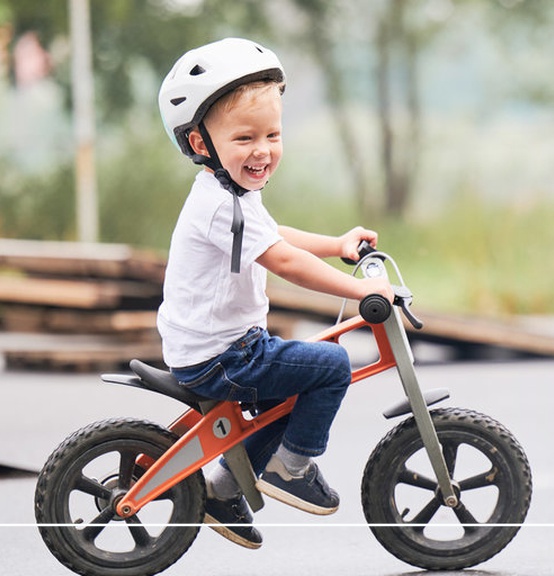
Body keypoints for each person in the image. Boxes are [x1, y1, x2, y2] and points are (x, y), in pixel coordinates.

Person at [156, 38, 393, 550]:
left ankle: (222, 489)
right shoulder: (225, 206)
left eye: (272, 134)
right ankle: (291, 466)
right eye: (244, 137)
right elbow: (282, 261)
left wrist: (337, 245)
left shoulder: (231, 195)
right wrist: (361, 290)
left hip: (217, 346)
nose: (262, 150)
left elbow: (275, 235)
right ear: (202, 145)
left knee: (293, 385)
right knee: (330, 366)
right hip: (220, 356)